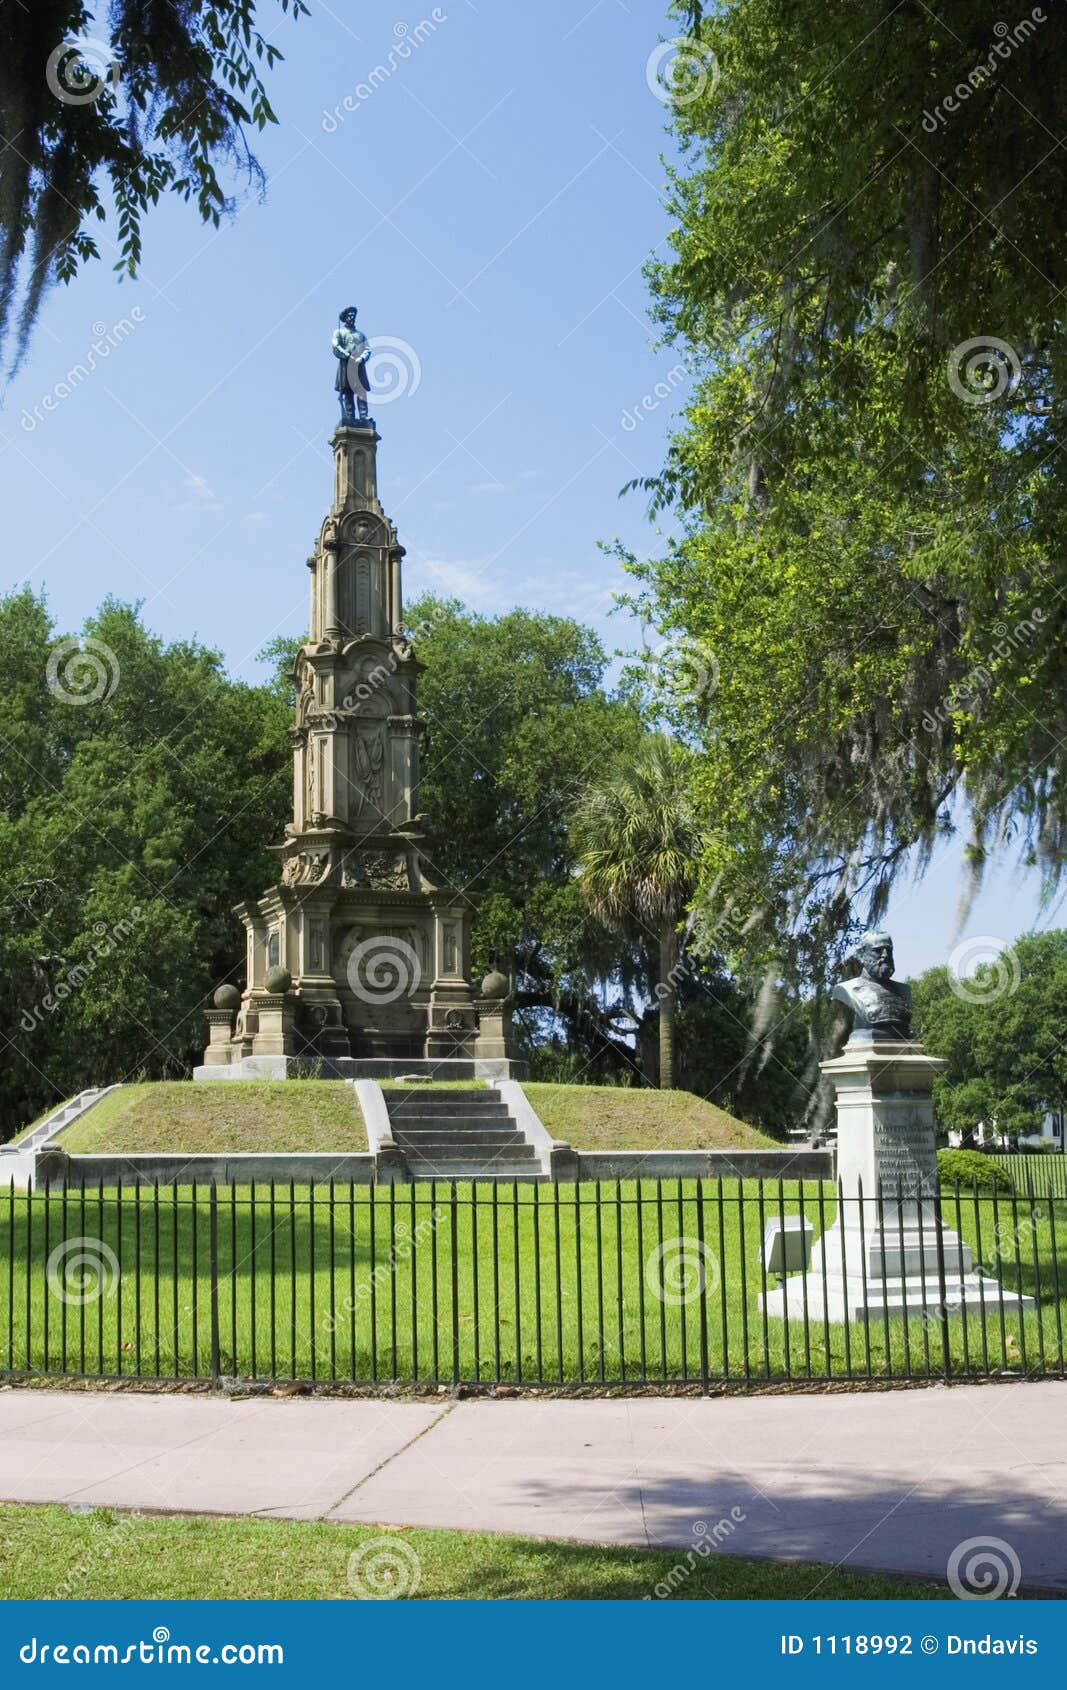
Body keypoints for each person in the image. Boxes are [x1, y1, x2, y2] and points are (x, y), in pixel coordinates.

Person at [831, 929, 912, 1041]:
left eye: (889, 950)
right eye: (878, 950)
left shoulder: (904, 990)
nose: (885, 955)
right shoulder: (848, 989)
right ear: (861, 955)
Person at [332, 305, 371, 426]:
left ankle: (364, 416)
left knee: (361, 391)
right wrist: (347, 355)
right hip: (346, 364)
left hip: (359, 365)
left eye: (354, 315)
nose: (352, 317)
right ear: (345, 318)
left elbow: (367, 349)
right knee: (348, 392)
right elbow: (335, 345)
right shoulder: (339, 332)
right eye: (349, 315)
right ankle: (350, 416)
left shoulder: (361, 335)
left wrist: (361, 358)